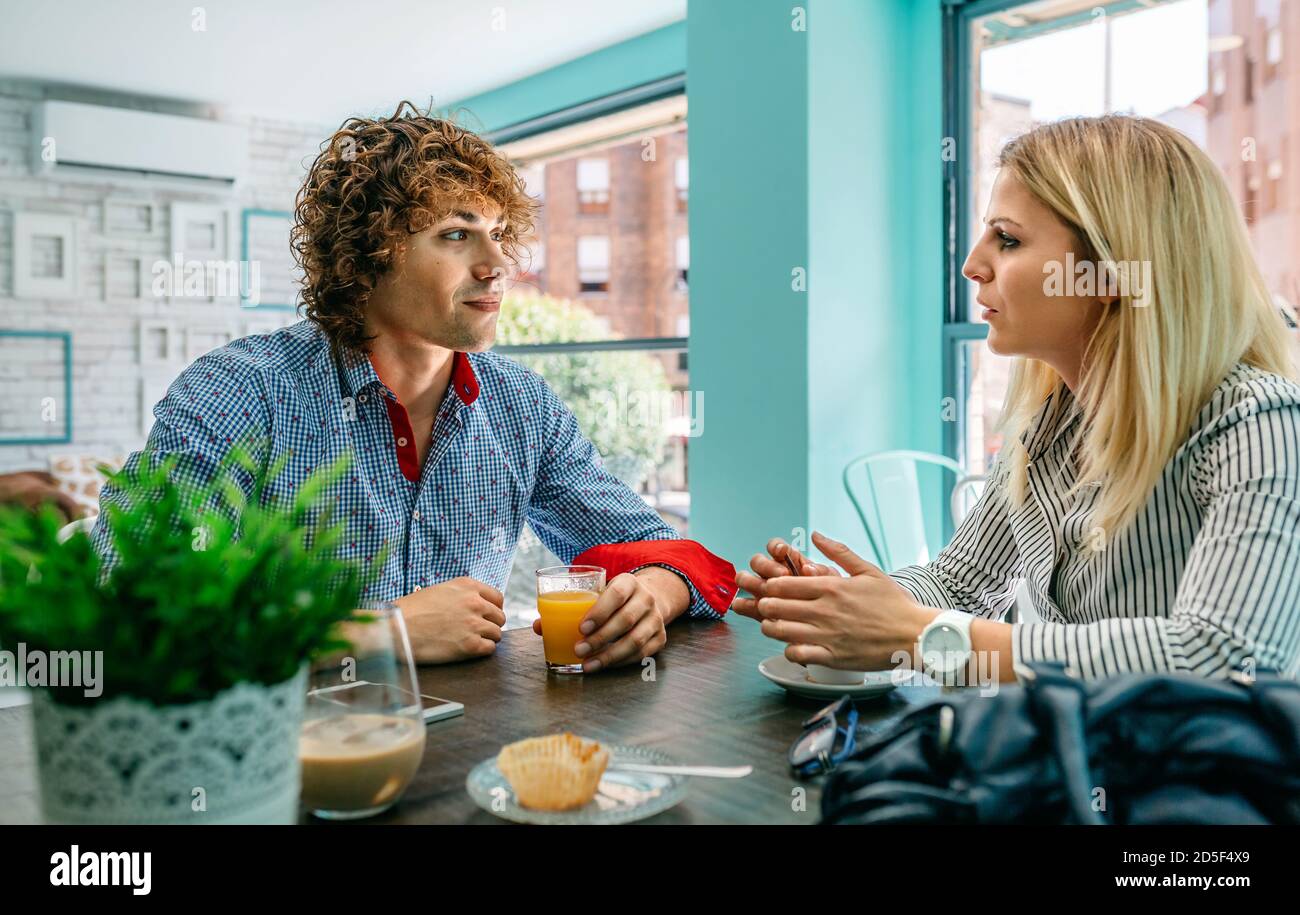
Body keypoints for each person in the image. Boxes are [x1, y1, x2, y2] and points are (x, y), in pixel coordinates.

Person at [92, 101, 735, 671]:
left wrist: (650, 595)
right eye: (456, 235)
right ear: (368, 257)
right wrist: (381, 630)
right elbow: (130, 609)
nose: (497, 265)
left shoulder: (521, 406)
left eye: (498, 235)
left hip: (471, 766)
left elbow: (672, 553)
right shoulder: (240, 393)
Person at [736, 115, 1300, 683]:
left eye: (1008, 239)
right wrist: (842, 604)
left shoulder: (1257, 422)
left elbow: (1225, 655)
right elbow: (961, 583)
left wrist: (921, 637)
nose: (972, 265)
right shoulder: (1050, 424)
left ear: (1107, 270)